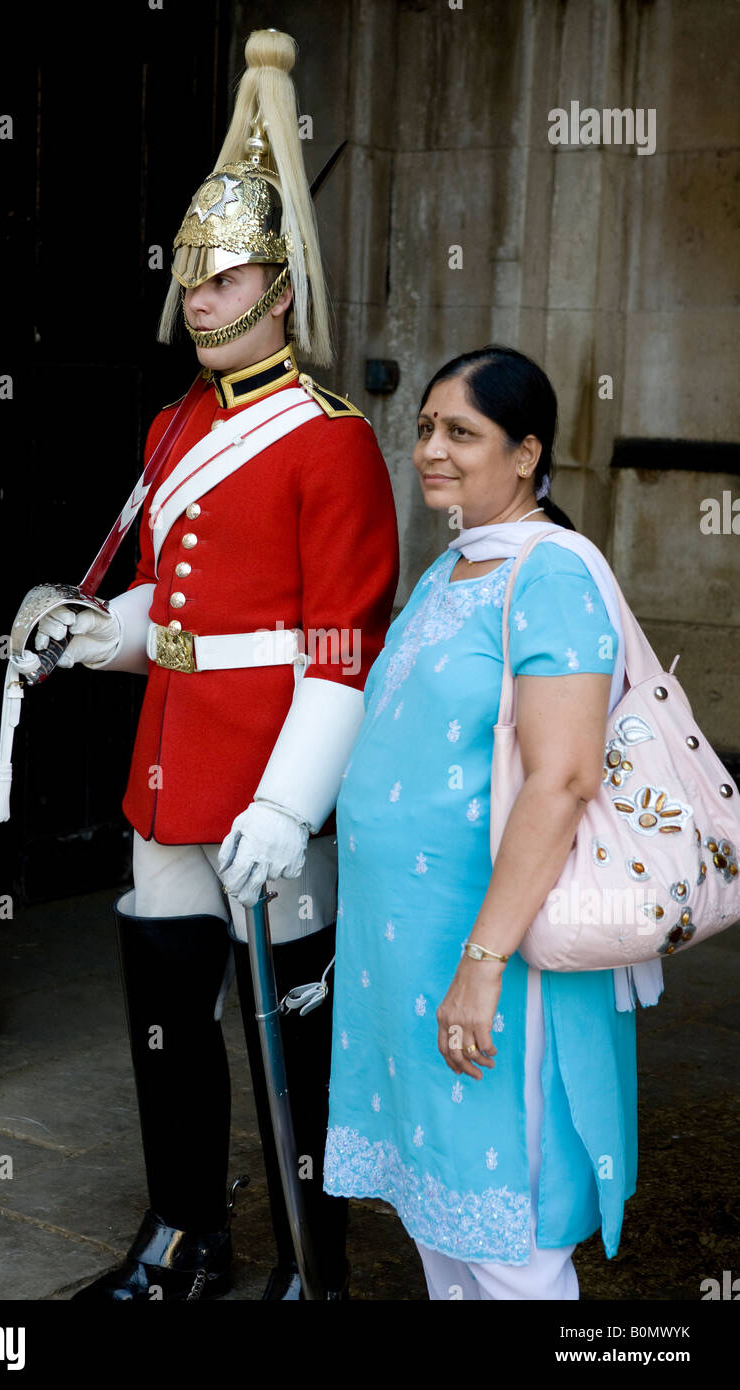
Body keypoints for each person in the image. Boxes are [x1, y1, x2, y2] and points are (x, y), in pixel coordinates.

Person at [11, 29, 399, 1300]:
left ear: (281, 289)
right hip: (169, 773)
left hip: (273, 782)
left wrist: (291, 807)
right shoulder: (174, 421)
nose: (200, 299)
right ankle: (184, 1235)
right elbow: (173, 617)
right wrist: (89, 630)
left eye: (225, 278)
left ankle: (311, 1268)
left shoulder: (328, 441)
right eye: (190, 277)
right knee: (170, 1028)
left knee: (299, 1044)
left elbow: (340, 646)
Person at [323, 345, 662, 1300]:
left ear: (525, 455)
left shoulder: (550, 575)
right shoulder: (456, 568)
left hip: (496, 954)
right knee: (445, 1223)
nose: (431, 448)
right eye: (425, 427)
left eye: (460, 432)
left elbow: (562, 777)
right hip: (412, 951)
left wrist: (481, 968)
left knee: (511, 1242)